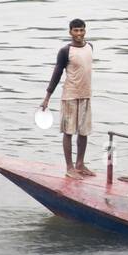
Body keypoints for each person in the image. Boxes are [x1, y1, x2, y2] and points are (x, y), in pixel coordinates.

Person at [41, 18, 95, 178]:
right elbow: (57, 74)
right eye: (75, 30)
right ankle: (69, 167)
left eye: (81, 30)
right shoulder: (65, 51)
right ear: (70, 32)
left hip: (85, 95)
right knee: (68, 132)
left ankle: (80, 164)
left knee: (84, 132)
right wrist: (47, 98)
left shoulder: (90, 47)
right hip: (70, 96)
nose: (79, 33)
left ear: (85, 30)